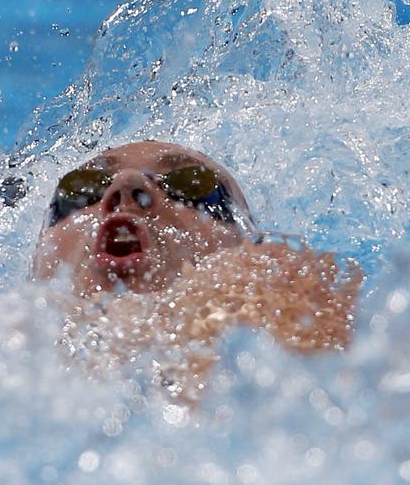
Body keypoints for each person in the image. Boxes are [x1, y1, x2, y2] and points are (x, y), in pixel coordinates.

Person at [32, 140, 362, 401]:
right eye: (83, 188)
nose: (125, 185)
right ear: (37, 259)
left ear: (247, 244)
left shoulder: (275, 285)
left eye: (190, 185)